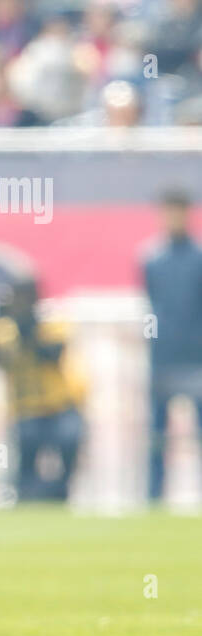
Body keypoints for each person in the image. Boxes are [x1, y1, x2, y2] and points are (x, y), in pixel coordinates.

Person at [0, 277, 84, 502]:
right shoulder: (4, 328)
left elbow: (53, 355)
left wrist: (28, 327)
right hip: (25, 408)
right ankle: (26, 495)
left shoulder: (51, 323)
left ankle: (62, 491)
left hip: (60, 404)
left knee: (69, 440)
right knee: (27, 451)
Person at [142, 189, 202, 502]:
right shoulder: (152, 259)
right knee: (156, 434)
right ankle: (153, 496)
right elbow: (152, 306)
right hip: (162, 358)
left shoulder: (198, 258)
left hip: (197, 359)